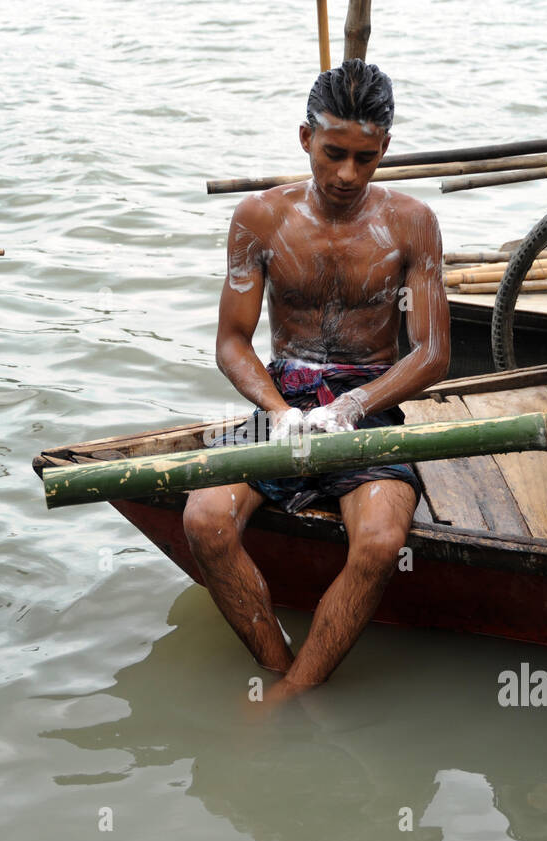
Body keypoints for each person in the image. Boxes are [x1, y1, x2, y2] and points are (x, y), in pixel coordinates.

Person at [182, 59, 450, 696]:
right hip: (288, 395)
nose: (346, 174)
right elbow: (231, 343)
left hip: (369, 402)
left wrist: (355, 405)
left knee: (382, 543)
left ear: (385, 148)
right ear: (305, 139)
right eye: (333, 153)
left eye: (365, 158)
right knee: (203, 522)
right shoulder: (259, 218)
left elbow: (433, 352)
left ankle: (290, 694)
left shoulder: (412, 222)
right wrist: (277, 410)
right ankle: (277, 664)